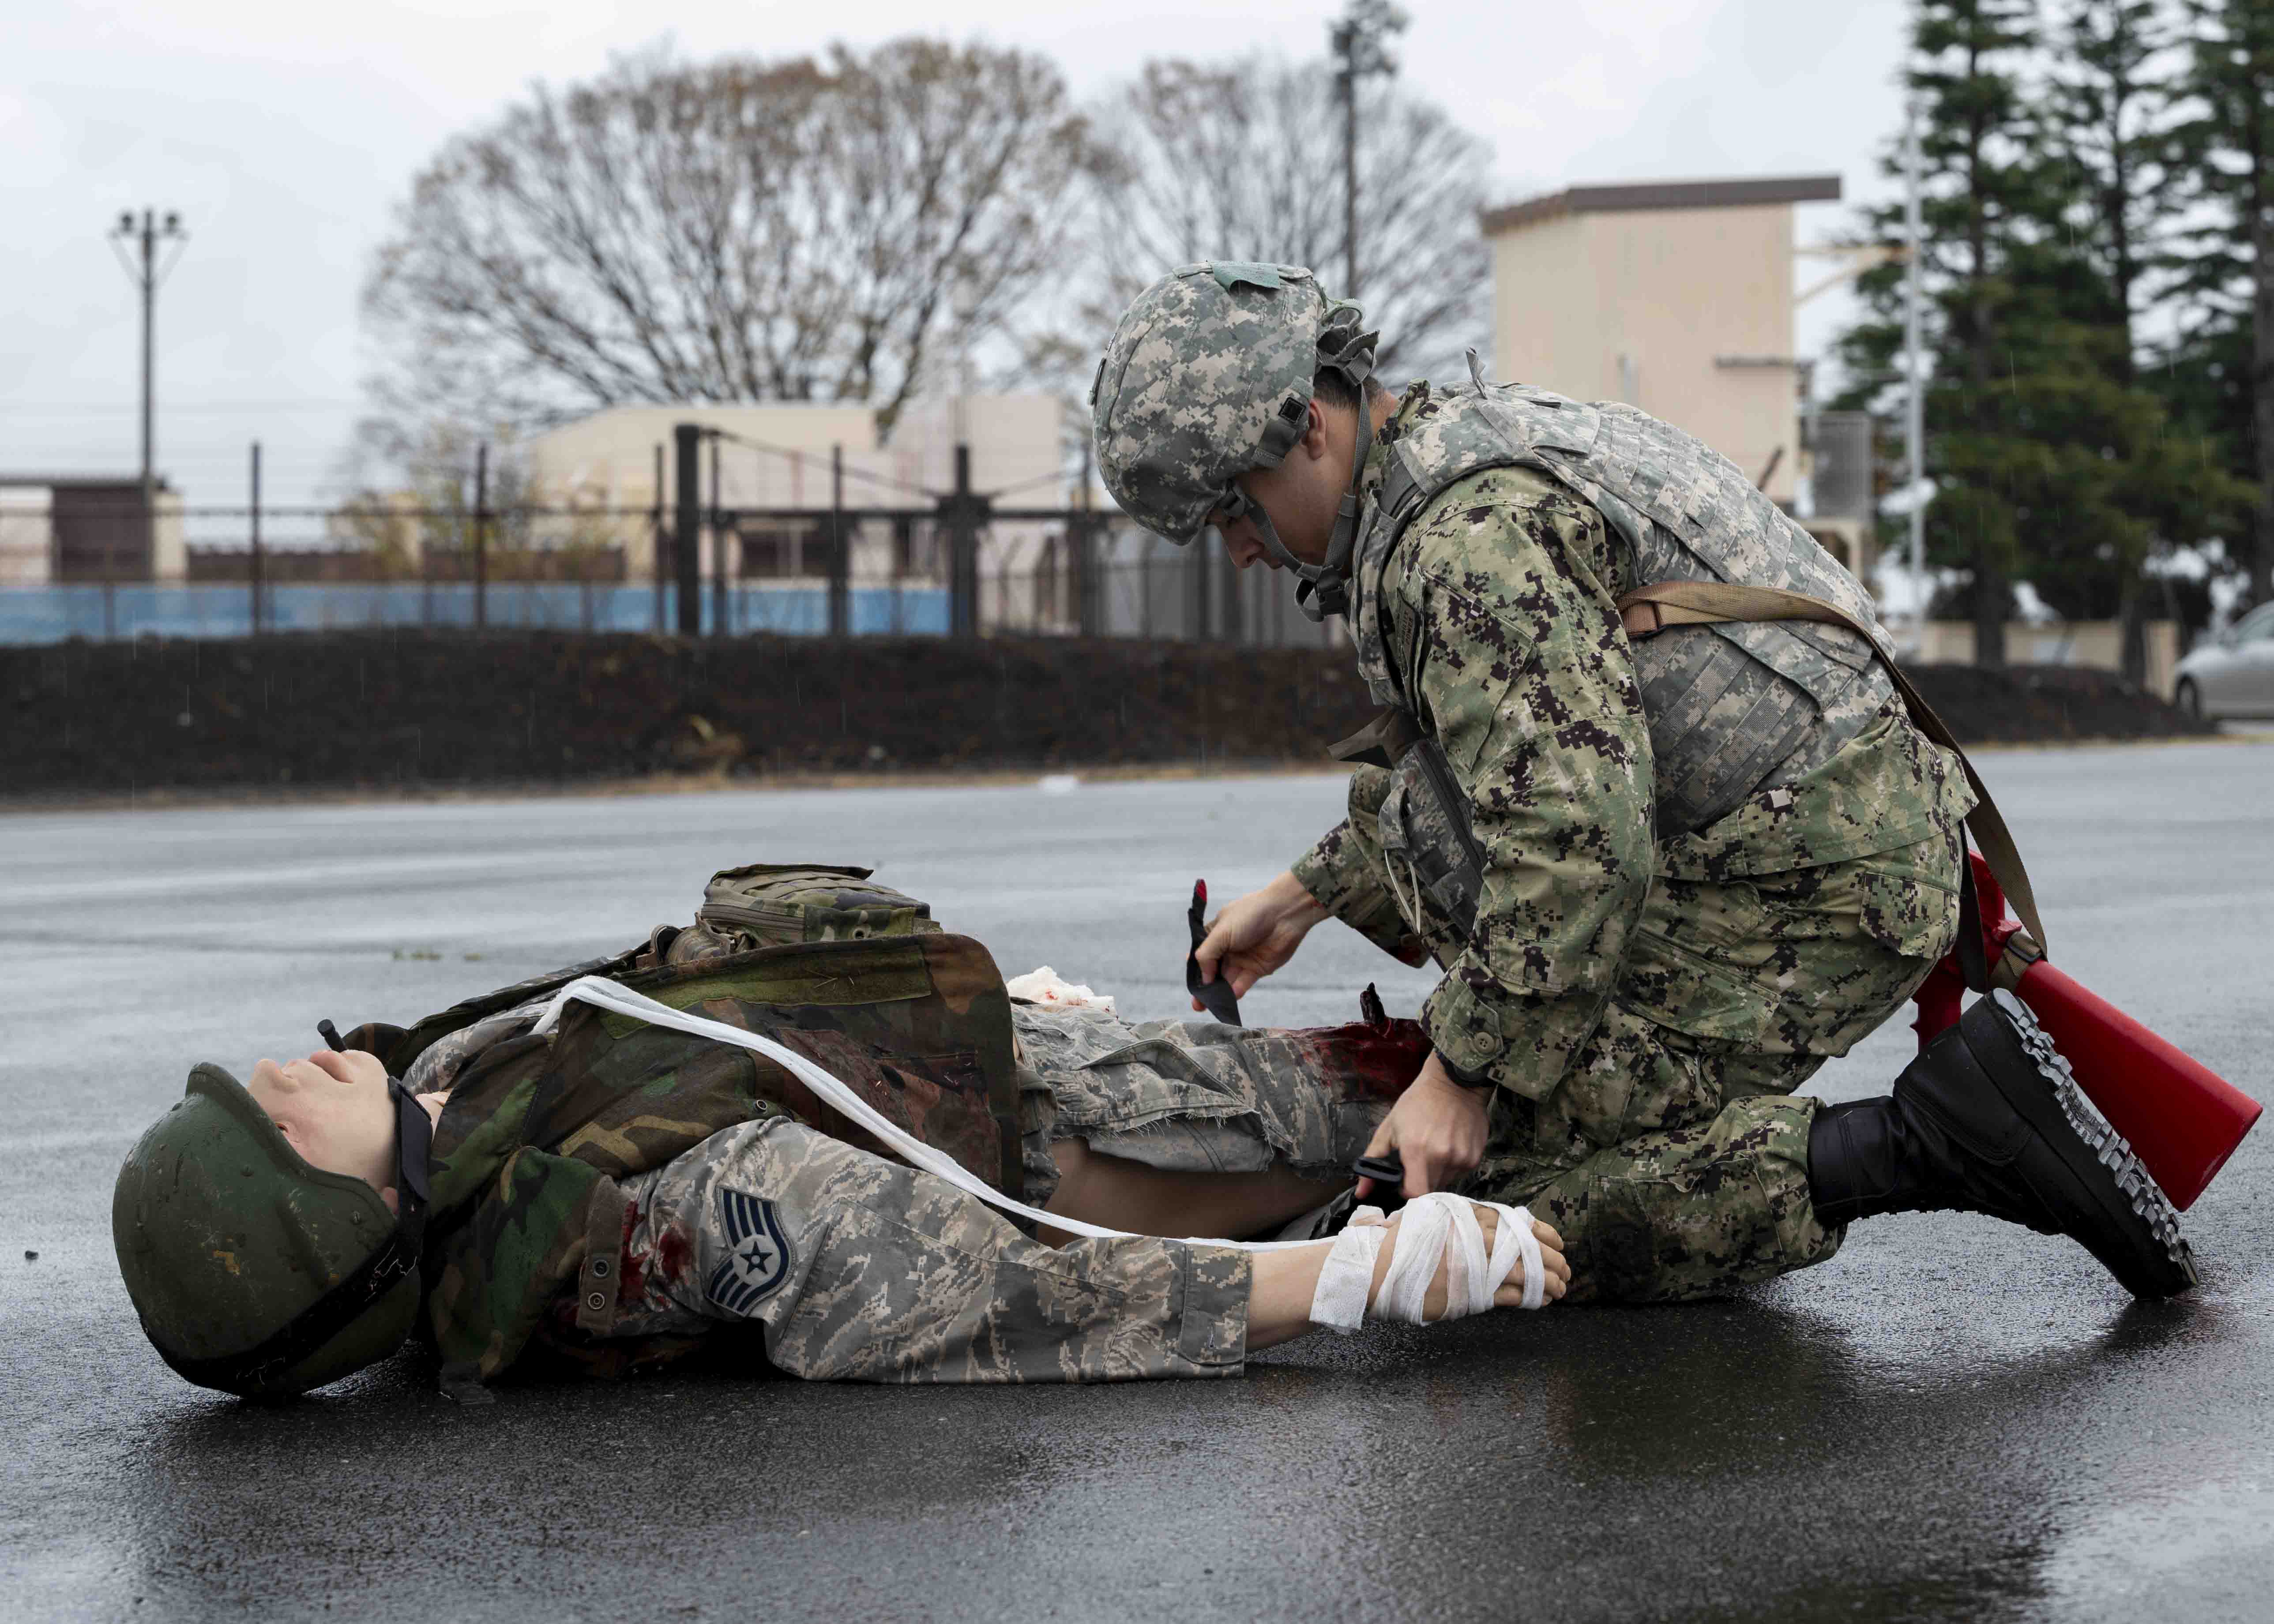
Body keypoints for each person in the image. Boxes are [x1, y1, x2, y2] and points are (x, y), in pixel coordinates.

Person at [1090, 261, 2195, 1304]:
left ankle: (1937, 1138)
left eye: (1235, 508)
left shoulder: (1463, 540)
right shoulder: (1457, 449)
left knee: (1486, 1220)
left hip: (1809, 888)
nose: (1241, 549)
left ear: (1310, 424)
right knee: (1485, 1117)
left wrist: (1467, 1073)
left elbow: (1572, 839)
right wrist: (1305, 894)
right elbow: (1489, 767)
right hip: (1809, 829)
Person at [112, 886, 1570, 1401]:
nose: (273, 1069)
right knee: (1559, 1106)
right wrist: (1347, 1282)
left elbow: (673, 1009)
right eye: (272, 1114)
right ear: (339, 1215)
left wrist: (980, 1013)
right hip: (1143, 1138)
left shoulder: (441, 1076)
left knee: (1527, 1034)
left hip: (1054, 1064)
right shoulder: (604, 1231)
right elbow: (949, 1284)